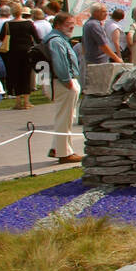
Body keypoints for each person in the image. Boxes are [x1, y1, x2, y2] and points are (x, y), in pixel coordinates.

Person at [42, 13, 83, 163]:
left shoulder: (57, 39)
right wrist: (67, 81)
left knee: (66, 117)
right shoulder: (56, 41)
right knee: (64, 118)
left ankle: (57, 148)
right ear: (58, 25)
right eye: (68, 23)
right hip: (63, 83)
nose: (72, 26)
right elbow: (60, 63)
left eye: (73, 23)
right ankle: (64, 152)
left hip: (64, 82)